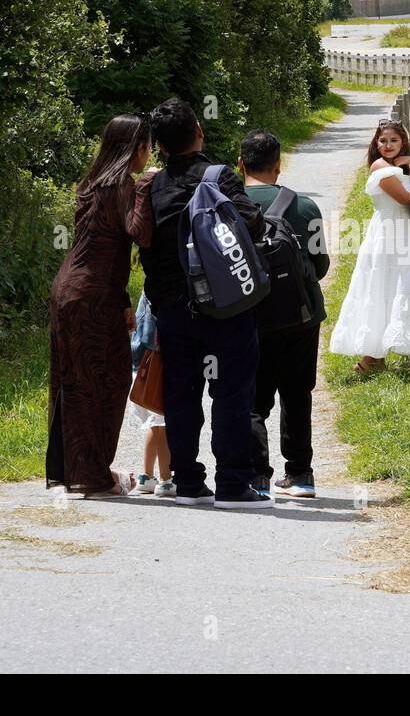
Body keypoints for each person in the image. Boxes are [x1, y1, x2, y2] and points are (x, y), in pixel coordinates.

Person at [140, 97, 271, 509]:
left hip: (173, 309)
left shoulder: (151, 186)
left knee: (181, 391)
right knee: (232, 391)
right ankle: (233, 482)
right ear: (199, 131)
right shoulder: (219, 176)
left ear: (159, 145)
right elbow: (253, 222)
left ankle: (187, 482)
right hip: (225, 305)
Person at [47, 113, 155, 497]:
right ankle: (92, 474)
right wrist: (146, 187)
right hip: (91, 297)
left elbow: (99, 246)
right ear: (136, 149)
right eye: (147, 146)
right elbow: (139, 233)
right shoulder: (123, 187)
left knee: (76, 383)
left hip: (73, 290)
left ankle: (77, 470)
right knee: (108, 382)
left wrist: (124, 300)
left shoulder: (92, 183)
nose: (150, 154)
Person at [238, 129, 329, 499]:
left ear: (240, 163)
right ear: (279, 164)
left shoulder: (227, 205)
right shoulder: (305, 207)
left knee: (252, 399)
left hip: (247, 317)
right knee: (297, 394)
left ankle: (257, 477)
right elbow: (320, 265)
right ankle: (301, 475)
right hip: (300, 316)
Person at [329, 119, 410, 373]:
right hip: (386, 235)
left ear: (403, 142)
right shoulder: (379, 167)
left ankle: (379, 357)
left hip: (404, 235)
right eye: (383, 140)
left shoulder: (406, 166)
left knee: (397, 288)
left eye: (393, 140)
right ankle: (371, 357)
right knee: (379, 289)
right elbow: (405, 198)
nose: (388, 145)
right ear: (376, 144)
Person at [129, 291, 174, 498]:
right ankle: (166, 479)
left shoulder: (147, 292)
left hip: (142, 366)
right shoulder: (157, 294)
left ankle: (147, 476)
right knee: (161, 424)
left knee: (154, 423)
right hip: (155, 366)